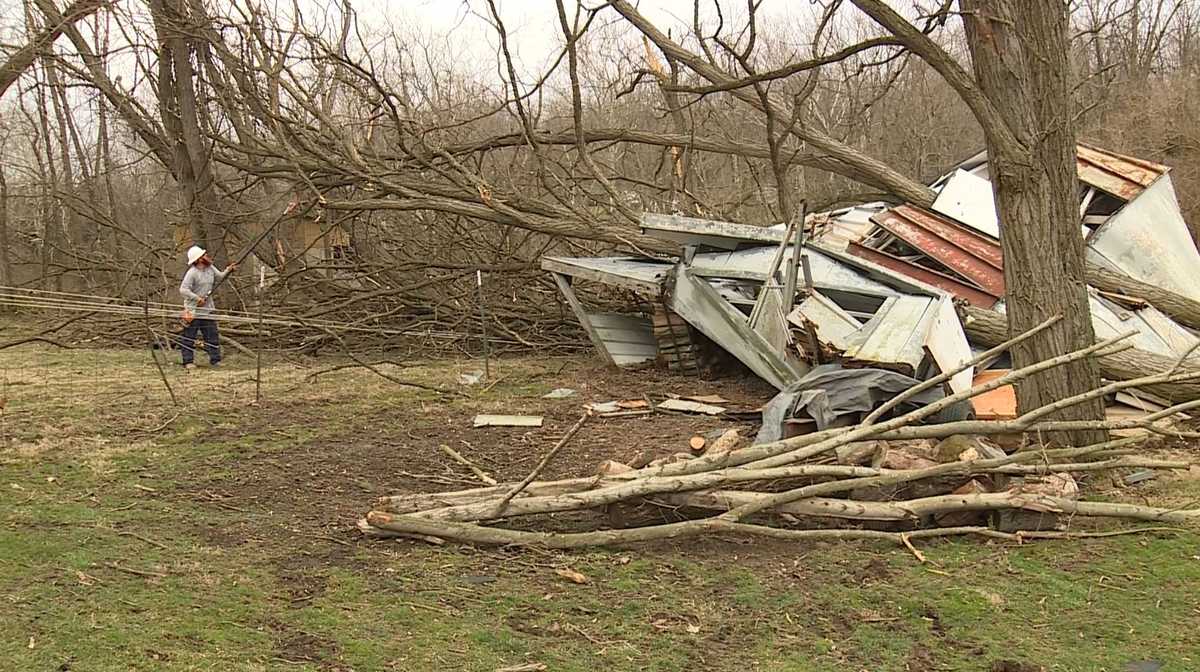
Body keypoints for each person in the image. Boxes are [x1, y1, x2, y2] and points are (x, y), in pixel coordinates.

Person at [179, 245, 237, 370]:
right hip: (192, 310)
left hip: (207, 309)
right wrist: (197, 298)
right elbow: (183, 290)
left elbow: (220, 276)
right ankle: (188, 361)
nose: (207, 256)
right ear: (199, 259)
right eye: (204, 255)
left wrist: (228, 270)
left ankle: (215, 360)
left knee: (212, 335)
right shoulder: (192, 273)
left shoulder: (210, 268)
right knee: (189, 336)